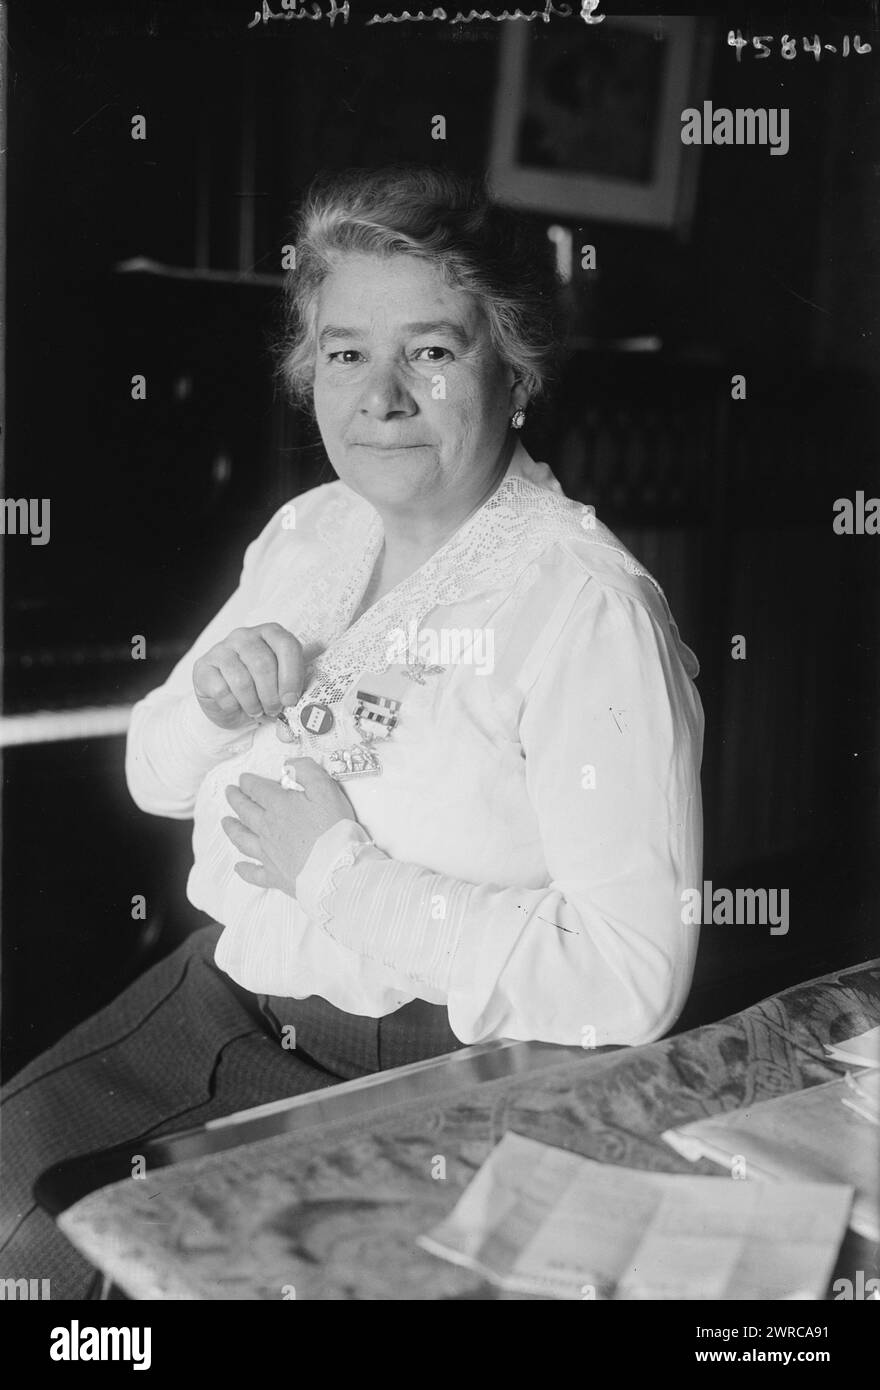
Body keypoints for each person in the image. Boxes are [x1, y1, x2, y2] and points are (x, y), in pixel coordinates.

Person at [0, 165, 703, 1297]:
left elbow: (630, 975)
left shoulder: (585, 606)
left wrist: (335, 870)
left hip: (430, 1070)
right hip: (222, 997)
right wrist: (210, 702)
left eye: (428, 350)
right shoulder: (312, 532)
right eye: (343, 353)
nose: (378, 397)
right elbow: (152, 775)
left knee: (59, 1258)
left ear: (514, 371)